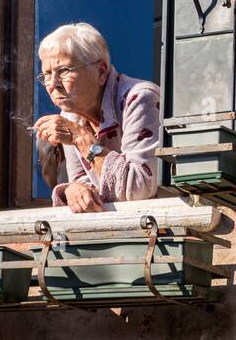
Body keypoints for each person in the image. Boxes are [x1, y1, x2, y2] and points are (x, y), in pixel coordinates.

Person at [31, 22, 161, 212]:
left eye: (63, 71)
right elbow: (84, 180)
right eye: (47, 74)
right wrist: (73, 190)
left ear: (100, 71)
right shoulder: (71, 116)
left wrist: (80, 138)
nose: (52, 84)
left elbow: (138, 189)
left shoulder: (139, 98)